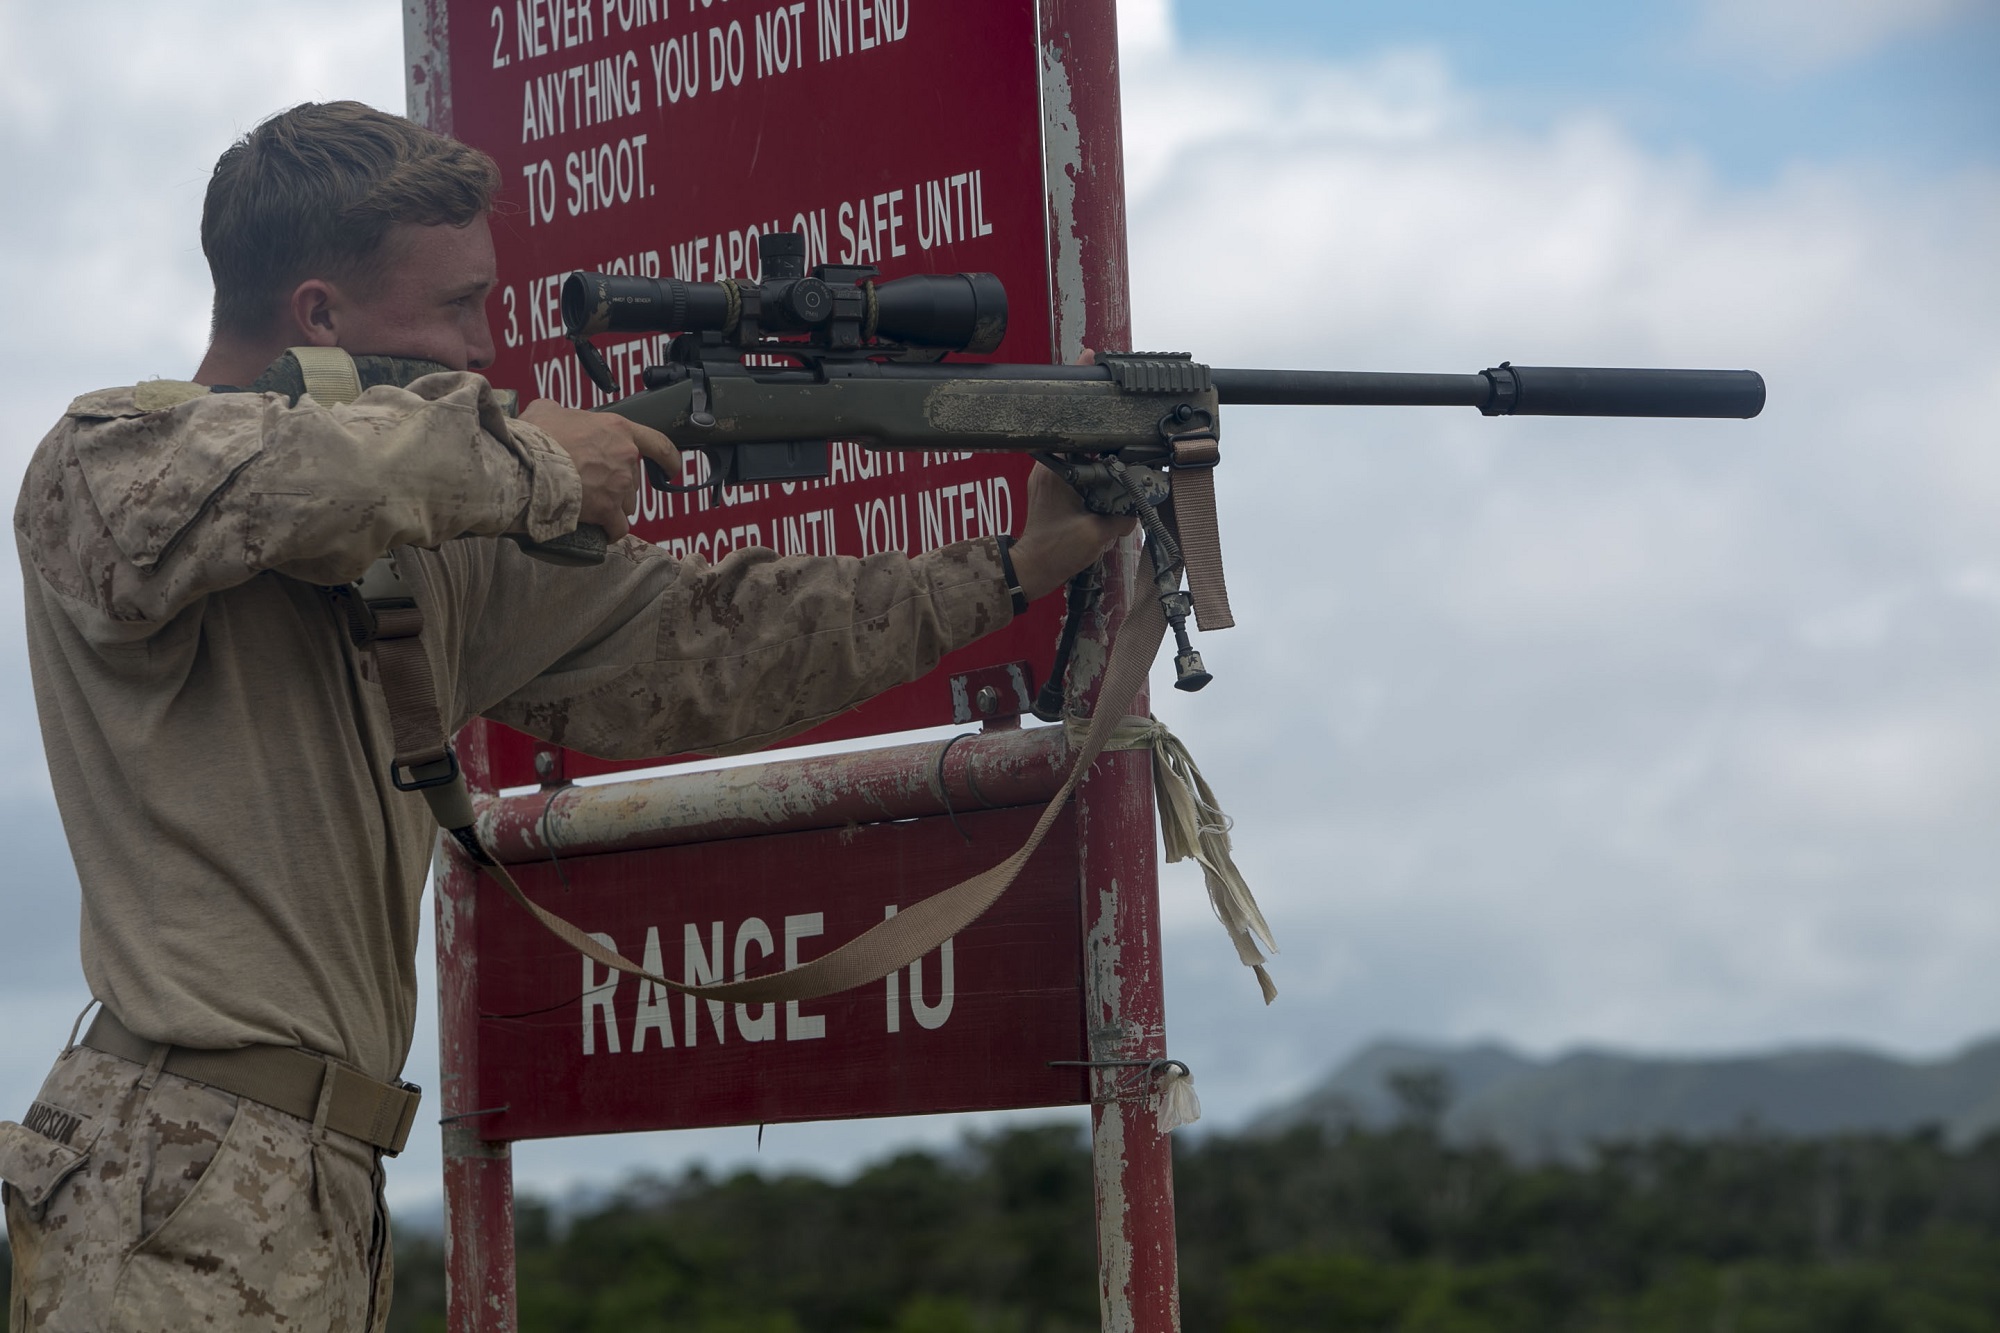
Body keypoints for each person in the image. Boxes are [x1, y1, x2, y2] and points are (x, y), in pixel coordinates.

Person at [0, 101, 1126, 1331]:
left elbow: (712, 646)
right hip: (171, 1166)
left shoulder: (437, 554)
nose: (486, 346)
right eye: (457, 305)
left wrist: (1009, 569)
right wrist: (533, 463)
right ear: (318, 315)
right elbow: (275, 481)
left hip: (314, 1181)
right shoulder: (109, 460)